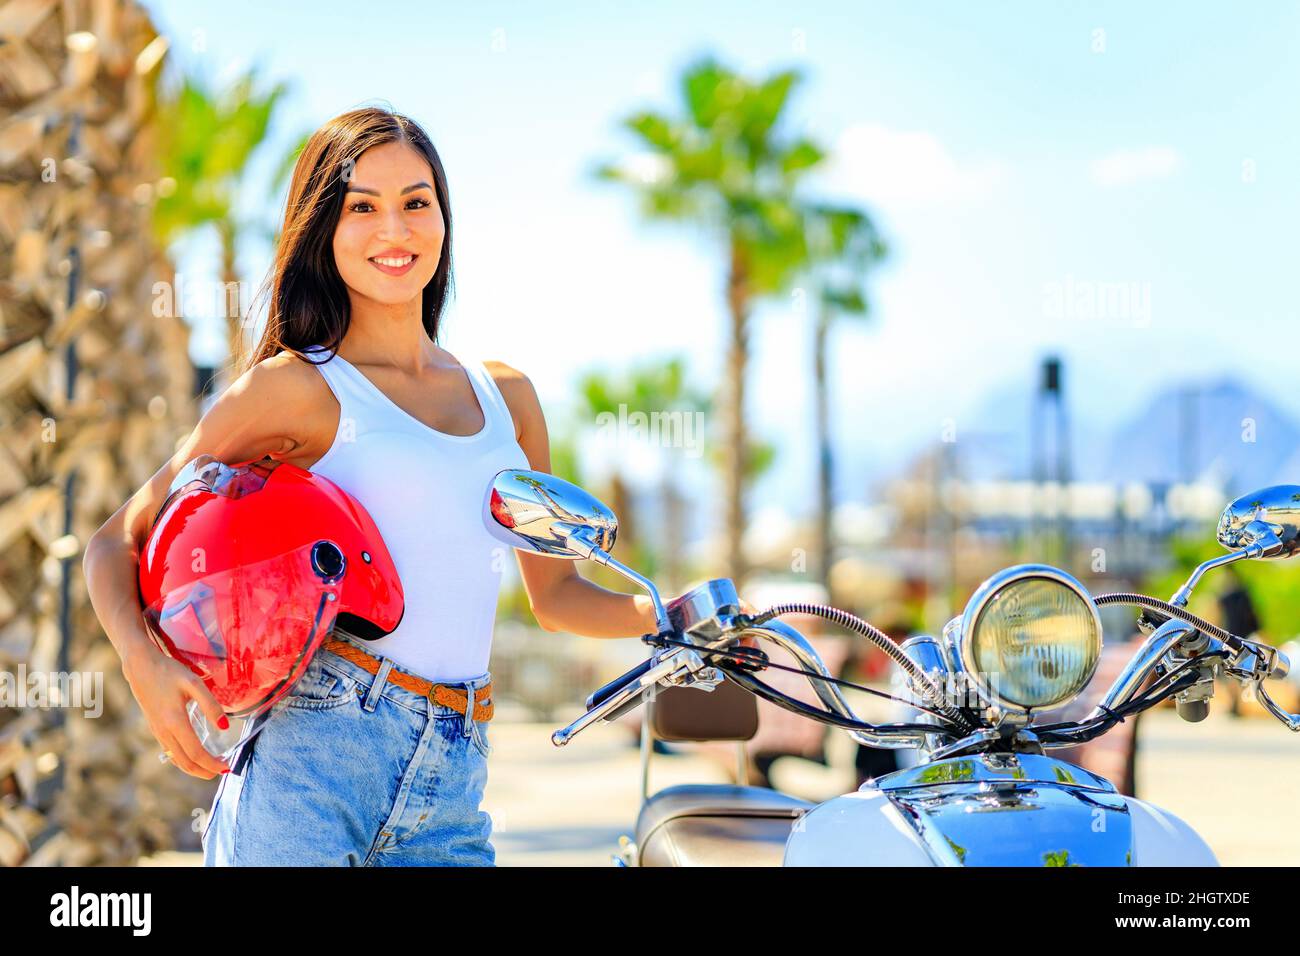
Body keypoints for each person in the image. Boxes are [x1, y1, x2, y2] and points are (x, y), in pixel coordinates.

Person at [82, 107, 662, 866]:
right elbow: (115, 539)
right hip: (315, 759)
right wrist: (144, 663)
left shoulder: (507, 398)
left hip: (454, 773)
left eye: (417, 202)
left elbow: (556, 600)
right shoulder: (295, 389)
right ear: (324, 229)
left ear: (443, 220)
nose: (396, 228)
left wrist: (678, 616)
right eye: (363, 207)